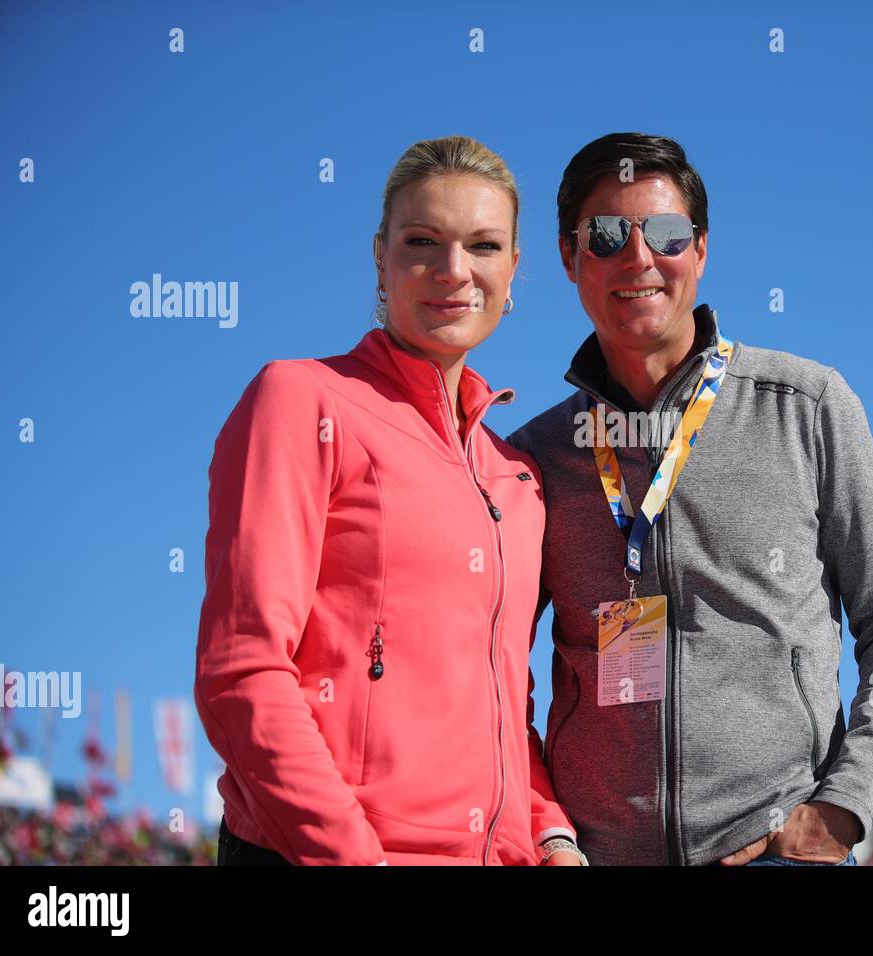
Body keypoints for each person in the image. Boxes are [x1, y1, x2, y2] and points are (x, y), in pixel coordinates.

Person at [507, 132, 873, 866]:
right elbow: (489, 674)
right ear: (569, 257)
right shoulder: (533, 459)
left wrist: (844, 806)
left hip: (778, 849)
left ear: (700, 251)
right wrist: (548, 831)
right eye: (607, 236)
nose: (638, 258)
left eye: (667, 234)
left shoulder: (806, 405)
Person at [194, 135, 585, 866]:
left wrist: (548, 833)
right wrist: (353, 856)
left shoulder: (517, 478)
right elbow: (241, 669)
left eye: (483, 245)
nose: (452, 271)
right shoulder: (302, 400)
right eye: (421, 242)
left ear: (514, 270)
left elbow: (504, 709)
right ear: (380, 255)